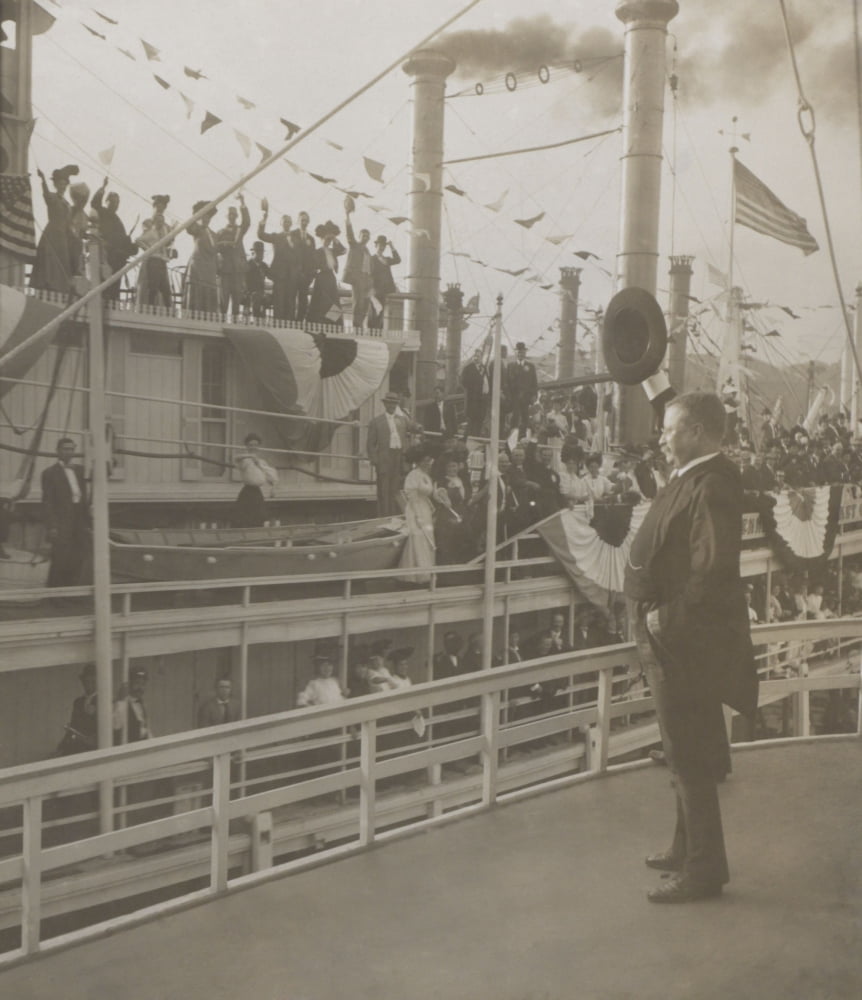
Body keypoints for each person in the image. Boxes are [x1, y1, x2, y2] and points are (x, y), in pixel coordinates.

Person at [624, 391, 758, 903]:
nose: (662, 436)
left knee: (690, 756)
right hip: (668, 639)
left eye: (671, 428)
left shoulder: (713, 484)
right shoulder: (690, 478)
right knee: (680, 751)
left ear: (698, 431)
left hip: (683, 643)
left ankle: (705, 871)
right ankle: (686, 848)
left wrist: (666, 617)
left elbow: (713, 570)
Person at [41, 437, 88, 587]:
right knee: (60, 558)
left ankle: (70, 592)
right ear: (58, 451)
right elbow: (47, 502)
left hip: (79, 520)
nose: (69, 452)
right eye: (65, 449)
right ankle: (55, 595)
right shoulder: (49, 473)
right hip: (61, 521)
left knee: (77, 557)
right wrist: (52, 526)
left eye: (71, 449)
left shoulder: (80, 470)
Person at [30, 164, 78, 293]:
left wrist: (73, 235)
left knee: (62, 262)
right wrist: (43, 180)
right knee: (49, 261)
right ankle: (47, 286)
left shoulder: (67, 204)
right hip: (52, 234)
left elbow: (68, 223)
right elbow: (46, 195)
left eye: (64, 184)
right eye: (60, 184)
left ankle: (60, 289)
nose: (62, 186)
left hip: (63, 237)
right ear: (56, 185)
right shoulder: (53, 198)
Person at [366, 392, 412, 517]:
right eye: (389, 403)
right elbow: (370, 444)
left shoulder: (402, 420)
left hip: (398, 457)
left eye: (394, 403)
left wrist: (419, 427)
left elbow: (413, 427)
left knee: (395, 489)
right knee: (383, 490)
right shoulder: (376, 422)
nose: (392, 406)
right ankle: (383, 517)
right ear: (385, 404)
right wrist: (375, 460)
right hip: (384, 458)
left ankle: (394, 517)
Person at [90, 177, 135, 299]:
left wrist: (131, 246)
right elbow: (94, 203)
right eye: (113, 202)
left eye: (117, 203)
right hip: (106, 256)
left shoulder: (118, 220)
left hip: (117, 258)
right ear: (107, 201)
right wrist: (103, 187)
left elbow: (123, 239)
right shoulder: (103, 213)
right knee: (104, 284)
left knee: (115, 286)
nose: (115, 205)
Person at [398, 445, 438, 584]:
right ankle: (415, 575)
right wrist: (417, 515)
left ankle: (426, 572)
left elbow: (427, 494)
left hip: (425, 508)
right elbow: (412, 496)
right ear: (419, 461)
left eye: (429, 460)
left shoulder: (426, 475)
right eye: (425, 460)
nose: (427, 463)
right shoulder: (413, 474)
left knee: (427, 538)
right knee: (418, 536)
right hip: (415, 509)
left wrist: (431, 507)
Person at [258, 202, 297, 320]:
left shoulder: (296, 238)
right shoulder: (277, 236)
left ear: (291, 224)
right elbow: (261, 235)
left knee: (290, 302)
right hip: (279, 275)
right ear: (281, 223)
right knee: (279, 301)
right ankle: (278, 324)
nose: (287, 223)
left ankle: (290, 327)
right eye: (285, 221)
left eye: (289, 221)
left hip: (291, 275)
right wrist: (264, 218)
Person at [215, 195, 250, 320]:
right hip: (225, 270)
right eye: (230, 214)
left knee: (237, 299)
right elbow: (215, 247)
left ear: (236, 216)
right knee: (223, 300)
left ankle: (235, 322)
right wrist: (225, 244)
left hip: (238, 270)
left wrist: (242, 202)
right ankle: (221, 322)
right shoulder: (220, 232)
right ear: (226, 216)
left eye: (234, 215)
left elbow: (247, 222)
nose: (232, 217)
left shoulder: (239, 230)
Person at [136, 194, 175, 308]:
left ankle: (164, 312)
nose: (160, 209)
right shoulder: (148, 222)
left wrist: (172, 237)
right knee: (150, 286)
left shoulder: (166, 226)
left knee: (164, 288)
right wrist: (149, 250)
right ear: (154, 207)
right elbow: (143, 239)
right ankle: (148, 309)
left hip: (161, 260)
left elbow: (167, 244)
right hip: (151, 260)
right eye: (158, 207)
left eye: (162, 207)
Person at [233, 433, 278, 527]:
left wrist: (273, 488)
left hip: (257, 492)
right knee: (244, 518)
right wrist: (249, 456)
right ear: (246, 446)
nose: (253, 447)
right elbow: (235, 458)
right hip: (247, 491)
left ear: (259, 447)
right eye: (251, 445)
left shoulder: (262, 462)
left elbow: (271, 476)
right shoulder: (244, 461)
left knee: (259, 517)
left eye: (256, 445)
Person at [434, 456, 472, 565]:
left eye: (454, 466)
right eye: (449, 466)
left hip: (462, 515)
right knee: (447, 544)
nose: (452, 469)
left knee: (462, 542)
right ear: (445, 468)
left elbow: (466, 497)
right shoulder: (441, 482)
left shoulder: (462, 480)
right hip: (448, 517)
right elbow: (441, 501)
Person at [184, 200, 220, 313]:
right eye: (204, 217)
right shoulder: (197, 230)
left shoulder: (214, 234)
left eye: (208, 217)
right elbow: (188, 227)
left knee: (209, 300)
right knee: (196, 299)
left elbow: (215, 251)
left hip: (210, 271)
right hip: (198, 269)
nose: (206, 219)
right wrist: (196, 215)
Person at [306, 221, 345, 325]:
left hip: (331, 278)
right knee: (324, 303)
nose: (328, 242)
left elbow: (343, 250)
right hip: (322, 278)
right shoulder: (318, 252)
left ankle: (332, 325)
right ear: (321, 239)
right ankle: (321, 324)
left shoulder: (333, 251)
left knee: (334, 302)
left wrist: (334, 238)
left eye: (329, 240)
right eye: (326, 239)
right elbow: (314, 265)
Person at [56, 663, 98, 755]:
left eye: (92, 681)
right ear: (82, 681)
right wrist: (61, 746)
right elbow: (73, 725)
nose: (89, 684)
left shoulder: (103, 701)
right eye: (86, 681)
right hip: (77, 746)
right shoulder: (78, 702)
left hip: (94, 749)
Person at [343, 198, 373, 327]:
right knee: (358, 302)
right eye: (363, 235)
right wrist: (347, 216)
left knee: (365, 303)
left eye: (367, 236)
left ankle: (360, 325)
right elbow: (349, 234)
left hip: (366, 279)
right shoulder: (355, 245)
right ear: (360, 236)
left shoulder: (368, 251)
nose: (365, 238)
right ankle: (356, 326)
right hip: (357, 277)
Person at [369, 234, 401, 328]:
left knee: (381, 313)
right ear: (376, 246)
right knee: (374, 311)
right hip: (375, 290)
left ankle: (378, 334)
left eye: (383, 245)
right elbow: (369, 275)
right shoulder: (371, 259)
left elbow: (398, 260)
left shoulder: (386, 259)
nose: (382, 247)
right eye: (380, 245)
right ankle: (372, 334)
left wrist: (392, 246)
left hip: (385, 290)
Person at [506, 342, 538, 436]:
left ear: (525, 353)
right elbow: (507, 383)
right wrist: (509, 396)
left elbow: (534, 383)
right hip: (514, 398)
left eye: (522, 352)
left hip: (526, 398)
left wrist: (534, 395)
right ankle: (512, 438)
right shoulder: (510, 366)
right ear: (516, 353)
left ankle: (522, 438)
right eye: (519, 352)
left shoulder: (530, 366)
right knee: (514, 418)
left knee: (525, 419)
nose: (520, 354)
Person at [113, 666, 151, 743]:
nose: (140, 687)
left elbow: (145, 729)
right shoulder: (121, 703)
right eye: (137, 683)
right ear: (129, 684)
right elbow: (116, 725)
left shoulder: (141, 703)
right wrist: (120, 700)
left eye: (143, 684)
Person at [291, 210, 316, 322]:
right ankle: (290, 322)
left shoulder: (311, 239)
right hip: (293, 274)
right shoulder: (292, 234)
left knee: (303, 300)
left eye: (306, 220)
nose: (304, 223)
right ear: (298, 221)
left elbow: (312, 259)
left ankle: (299, 322)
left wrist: (310, 275)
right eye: (302, 220)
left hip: (305, 276)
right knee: (291, 299)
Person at [459, 350, 489, 437]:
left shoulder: (483, 367)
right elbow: (463, 382)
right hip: (473, 400)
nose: (476, 358)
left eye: (478, 356)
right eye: (474, 356)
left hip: (483, 400)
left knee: (480, 420)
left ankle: (477, 438)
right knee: (472, 421)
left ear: (481, 358)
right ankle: (470, 439)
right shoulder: (468, 368)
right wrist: (475, 385)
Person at [245, 241, 270, 320]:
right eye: (258, 252)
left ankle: (263, 319)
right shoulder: (248, 264)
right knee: (256, 297)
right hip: (248, 292)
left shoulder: (264, 265)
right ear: (253, 252)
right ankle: (256, 320)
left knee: (272, 298)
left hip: (261, 292)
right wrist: (247, 291)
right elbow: (243, 280)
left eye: (262, 252)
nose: (261, 254)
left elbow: (272, 275)